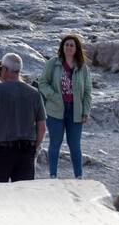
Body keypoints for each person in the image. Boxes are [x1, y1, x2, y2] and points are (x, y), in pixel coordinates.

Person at [0, 53, 46, 182]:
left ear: (5, 69)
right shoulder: (34, 93)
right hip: (26, 151)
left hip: (1, 150)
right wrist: (34, 148)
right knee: (23, 196)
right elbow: (42, 127)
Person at [38, 35, 92, 179]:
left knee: (75, 145)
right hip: (55, 109)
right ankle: (53, 176)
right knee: (55, 143)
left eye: (72, 45)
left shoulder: (82, 68)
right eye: (66, 44)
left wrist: (85, 111)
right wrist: (54, 96)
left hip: (75, 111)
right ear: (62, 47)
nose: (69, 47)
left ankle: (78, 176)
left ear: (76, 49)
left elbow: (87, 92)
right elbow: (42, 83)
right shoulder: (53, 63)